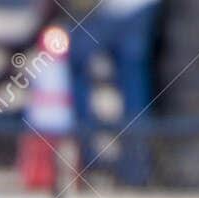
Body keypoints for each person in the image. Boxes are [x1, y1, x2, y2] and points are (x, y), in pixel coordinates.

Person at [58, 0, 161, 185]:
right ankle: (135, 168)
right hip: (138, 9)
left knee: (78, 63)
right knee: (133, 81)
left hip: (113, 11)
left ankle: (90, 157)